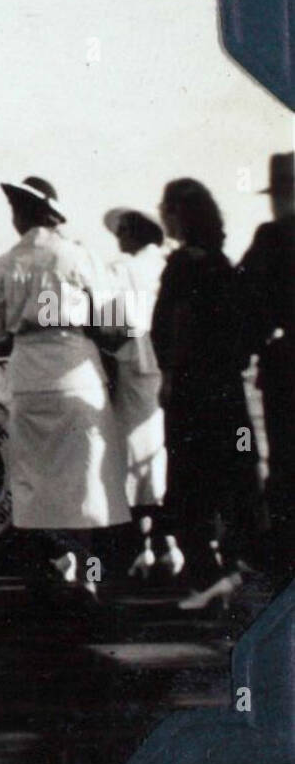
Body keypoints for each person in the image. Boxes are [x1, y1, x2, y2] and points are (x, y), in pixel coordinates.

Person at [0, 176, 130, 598]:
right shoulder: (77, 256)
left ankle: (56, 559)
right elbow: (112, 320)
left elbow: (0, 331)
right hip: (74, 371)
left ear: (20, 214)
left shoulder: (3, 262)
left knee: (33, 475)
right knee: (83, 474)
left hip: (28, 375)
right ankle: (87, 569)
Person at [152, 178, 263, 609]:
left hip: (190, 390)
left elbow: (170, 326)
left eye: (165, 208)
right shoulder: (222, 263)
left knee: (188, 479)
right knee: (234, 472)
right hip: (226, 390)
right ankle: (235, 566)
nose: (162, 215)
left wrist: (167, 374)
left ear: (179, 213)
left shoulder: (182, 265)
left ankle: (204, 575)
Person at [101, 207, 179, 578]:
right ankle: (169, 543)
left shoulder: (123, 269)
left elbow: (111, 321)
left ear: (133, 234)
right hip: (173, 360)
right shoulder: (168, 264)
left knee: (132, 449)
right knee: (164, 447)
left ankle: (142, 546)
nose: (118, 238)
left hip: (135, 359)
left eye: (122, 231)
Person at [236, 151, 294, 579]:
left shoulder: (273, 236)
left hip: (287, 364)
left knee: (286, 460)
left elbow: (248, 303)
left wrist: (246, 348)